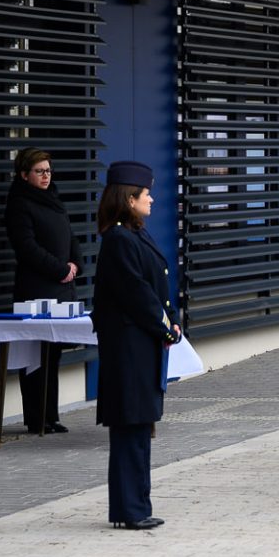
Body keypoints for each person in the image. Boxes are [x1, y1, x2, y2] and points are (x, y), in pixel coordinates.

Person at [91, 160, 180, 531]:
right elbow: (137, 294)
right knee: (130, 427)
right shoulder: (118, 240)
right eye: (146, 194)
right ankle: (129, 509)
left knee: (140, 426)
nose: (152, 199)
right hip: (129, 348)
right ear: (129, 199)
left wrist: (171, 319)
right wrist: (166, 328)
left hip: (142, 344)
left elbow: (156, 287)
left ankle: (138, 505)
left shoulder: (134, 234)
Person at [4, 147, 80, 435]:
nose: (46, 176)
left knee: (54, 353)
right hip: (36, 289)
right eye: (39, 171)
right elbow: (27, 247)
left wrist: (75, 264)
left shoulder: (53, 199)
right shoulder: (19, 204)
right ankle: (36, 418)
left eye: (48, 170)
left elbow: (70, 236)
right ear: (24, 175)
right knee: (34, 355)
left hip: (61, 288)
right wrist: (59, 269)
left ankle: (51, 415)